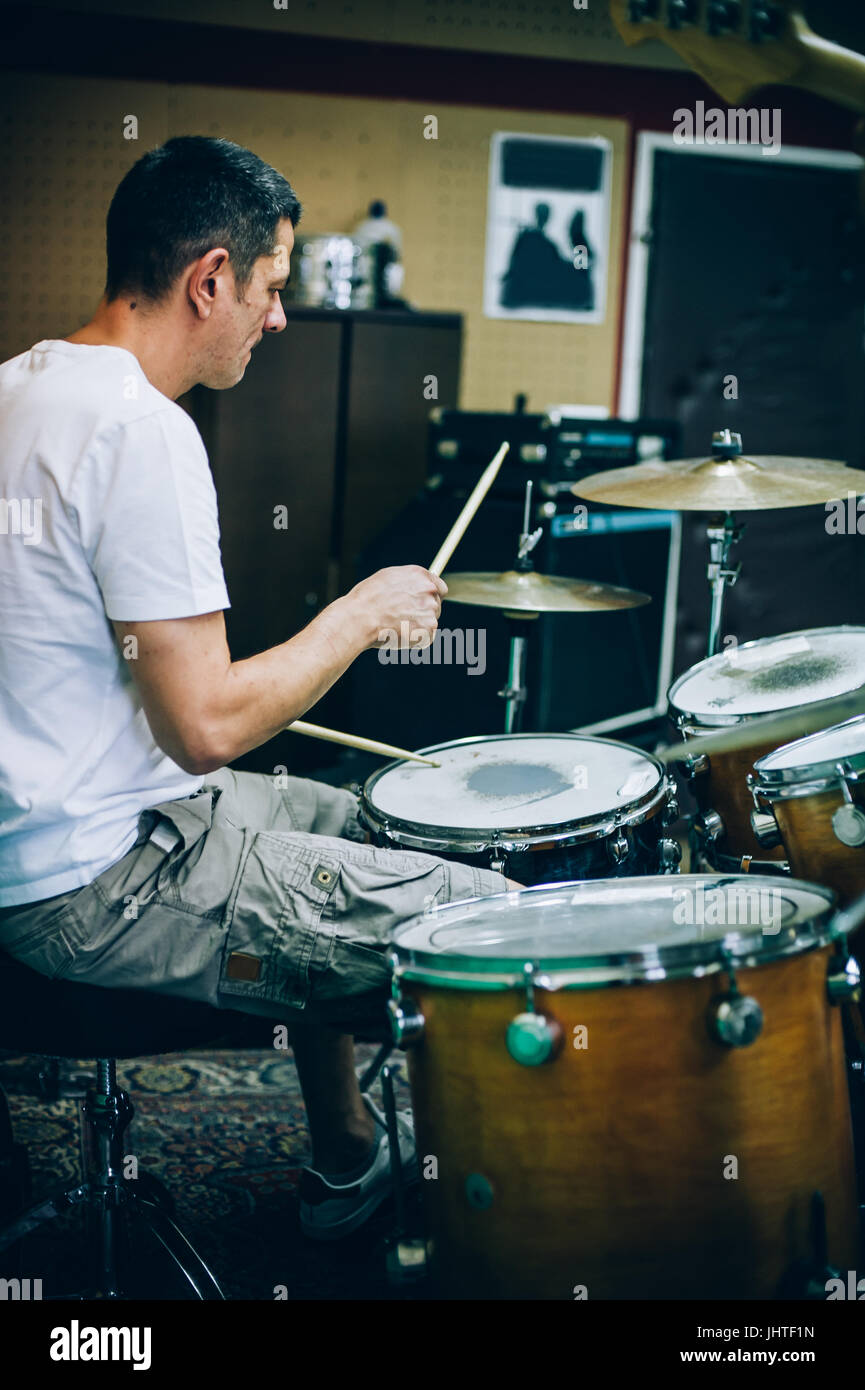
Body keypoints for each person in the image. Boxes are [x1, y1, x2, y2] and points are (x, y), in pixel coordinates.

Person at [0, 136, 516, 1241]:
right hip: (97, 883)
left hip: (62, 823)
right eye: (272, 288)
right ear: (208, 280)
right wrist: (362, 615)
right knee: (486, 924)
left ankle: (344, 1157)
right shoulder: (143, 433)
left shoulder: (21, 387)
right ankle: (502, 1227)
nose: (279, 319)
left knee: (357, 820)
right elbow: (207, 727)